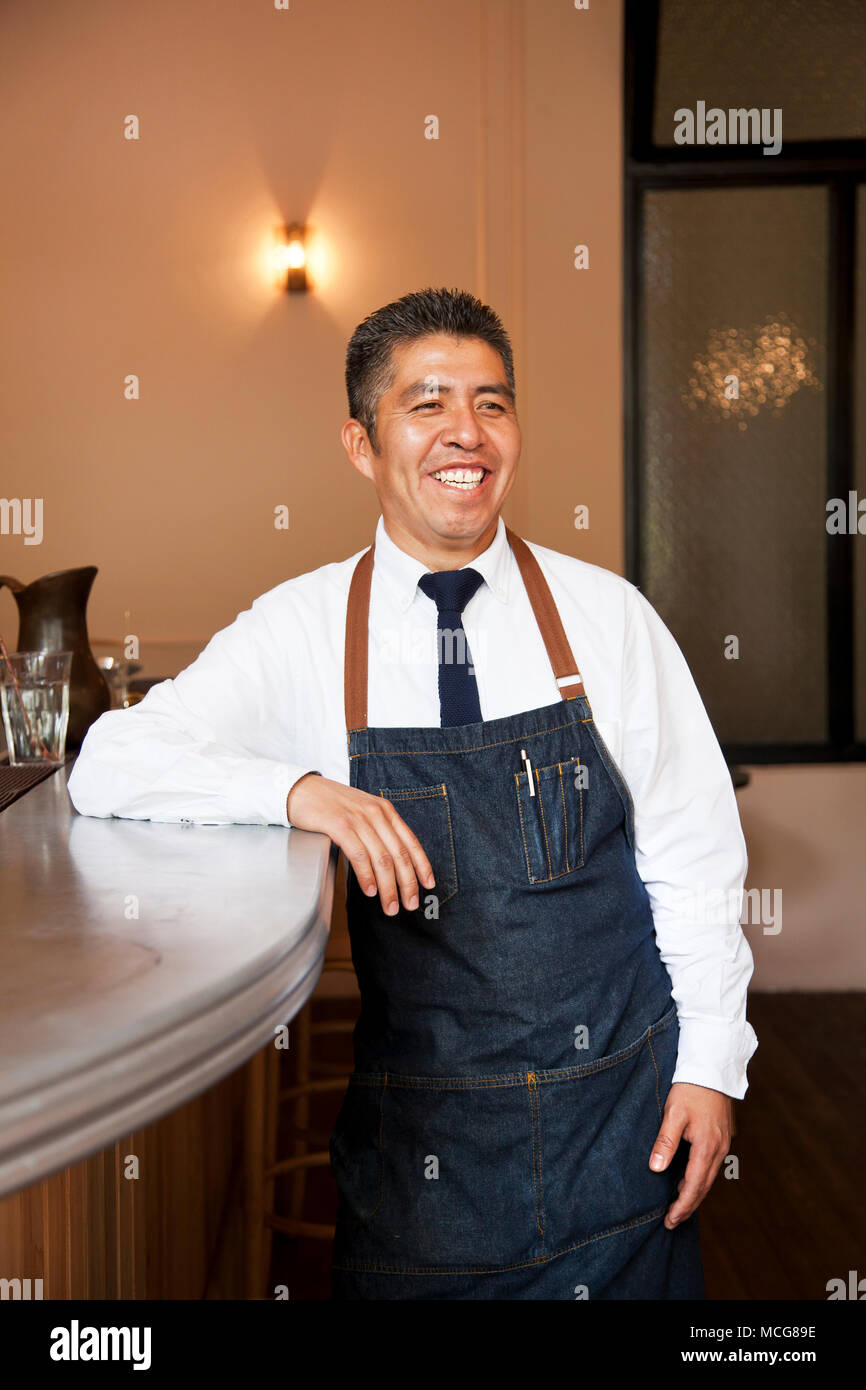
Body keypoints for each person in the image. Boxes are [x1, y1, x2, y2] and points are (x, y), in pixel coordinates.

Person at [68, 286, 758, 1301]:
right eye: (427, 402)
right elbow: (109, 762)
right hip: (425, 1166)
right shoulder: (300, 630)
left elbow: (693, 854)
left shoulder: (606, 619)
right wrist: (298, 789)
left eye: (492, 401)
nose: (464, 433)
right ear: (361, 442)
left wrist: (710, 1064)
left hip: (618, 1136)